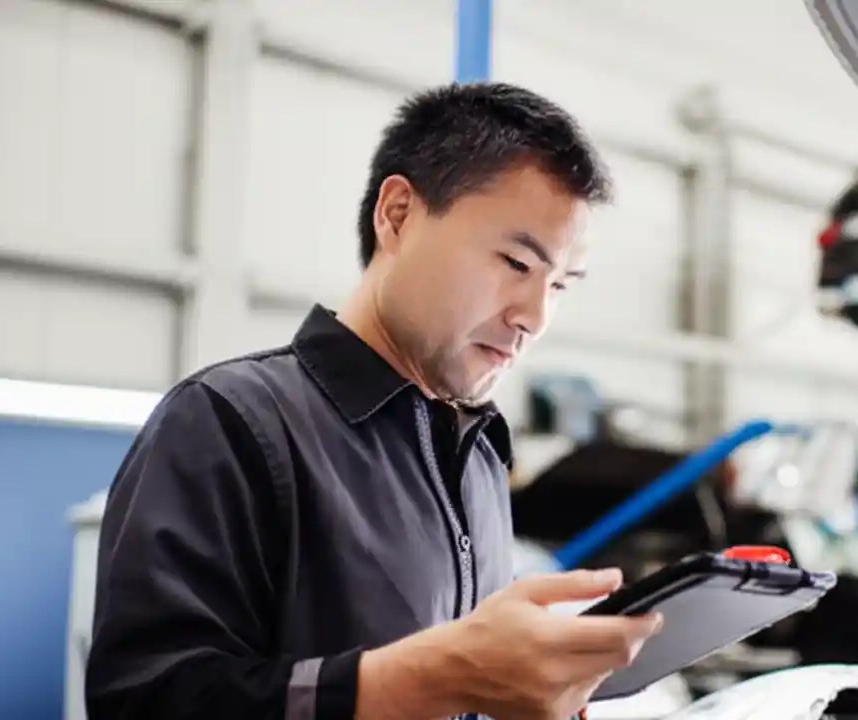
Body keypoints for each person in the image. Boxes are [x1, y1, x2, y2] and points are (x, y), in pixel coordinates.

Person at [86, 82, 663, 720]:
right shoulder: (231, 422)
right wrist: (433, 678)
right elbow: (144, 702)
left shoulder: (477, 455)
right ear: (397, 214)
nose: (535, 316)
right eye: (515, 263)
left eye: (560, 285)